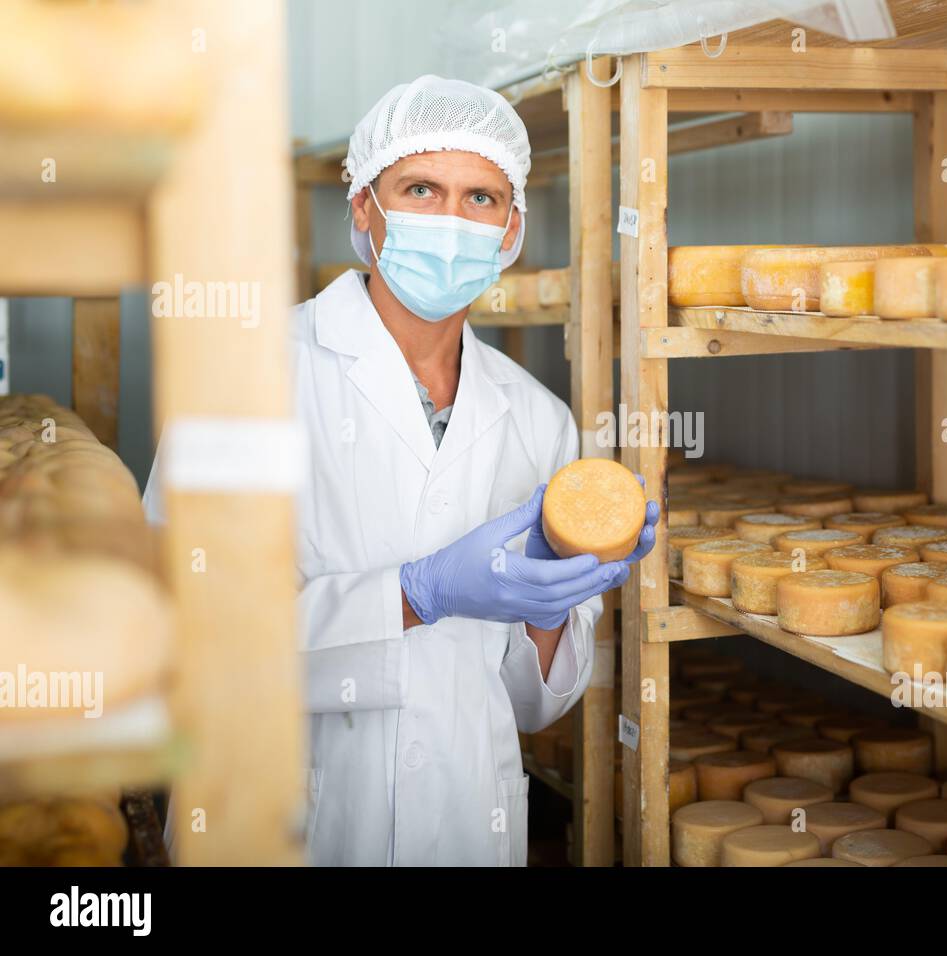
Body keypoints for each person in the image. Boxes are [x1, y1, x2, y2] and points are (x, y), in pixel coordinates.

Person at [142, 75, 655, 865]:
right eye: (421, 188)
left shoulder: (539, 419)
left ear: (513, 229)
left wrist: (549, 609)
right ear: (364, 209)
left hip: (466, 818)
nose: (452, 220)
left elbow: (532, 705)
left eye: (481, 199)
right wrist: (414, 596)